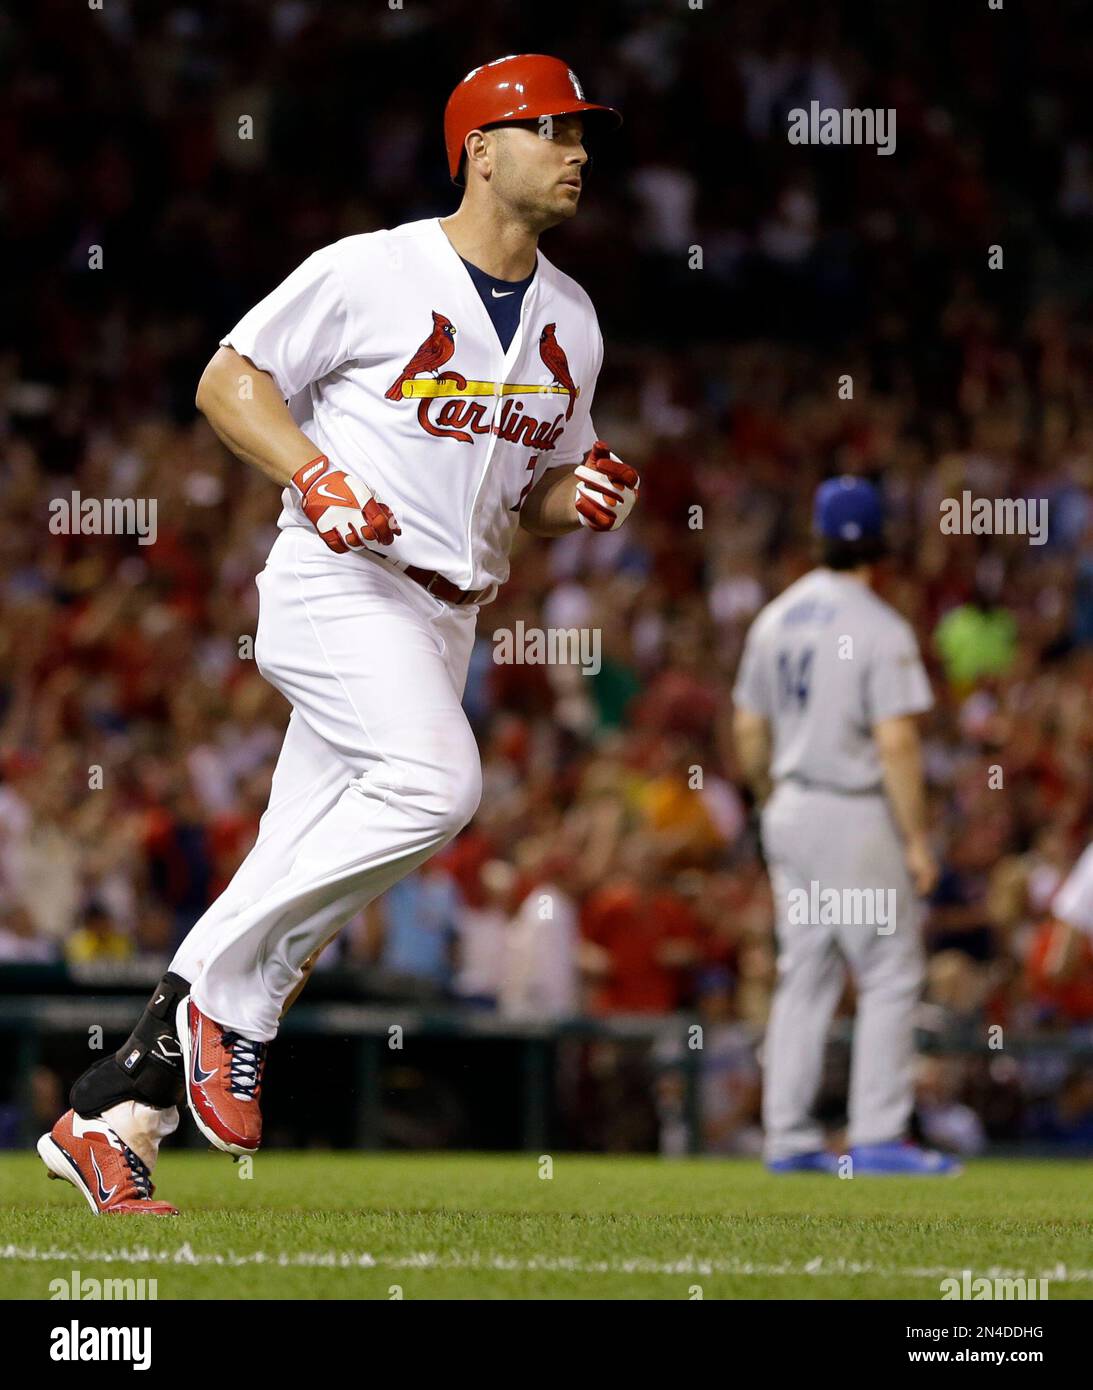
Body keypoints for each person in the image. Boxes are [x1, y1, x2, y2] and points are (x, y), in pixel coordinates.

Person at [37, 54, 639, 1214]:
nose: (577, 152)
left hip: (446, 615)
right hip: (337, 584)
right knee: (433, 785)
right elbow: (228, 380)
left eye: (581, 133)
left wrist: (582, 494)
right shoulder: (374, 269)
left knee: (287, 883)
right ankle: (230, 1011)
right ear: (480, 147)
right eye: (552, 130)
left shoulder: (572, 315)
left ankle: (113, 1118)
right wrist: (312, 472)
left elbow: (538, 485)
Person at [733, 477, 960, 1176]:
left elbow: (747, 729)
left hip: (791, 807)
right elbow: (894, 743)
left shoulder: (775, 617)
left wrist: (773, 799)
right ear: (881, 543)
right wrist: (918, 840)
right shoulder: (878, 625)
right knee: (890, 966)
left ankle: (789, 1136)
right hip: (851, 806)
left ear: (818, 538)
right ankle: (879, 1135)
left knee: (806, 970)